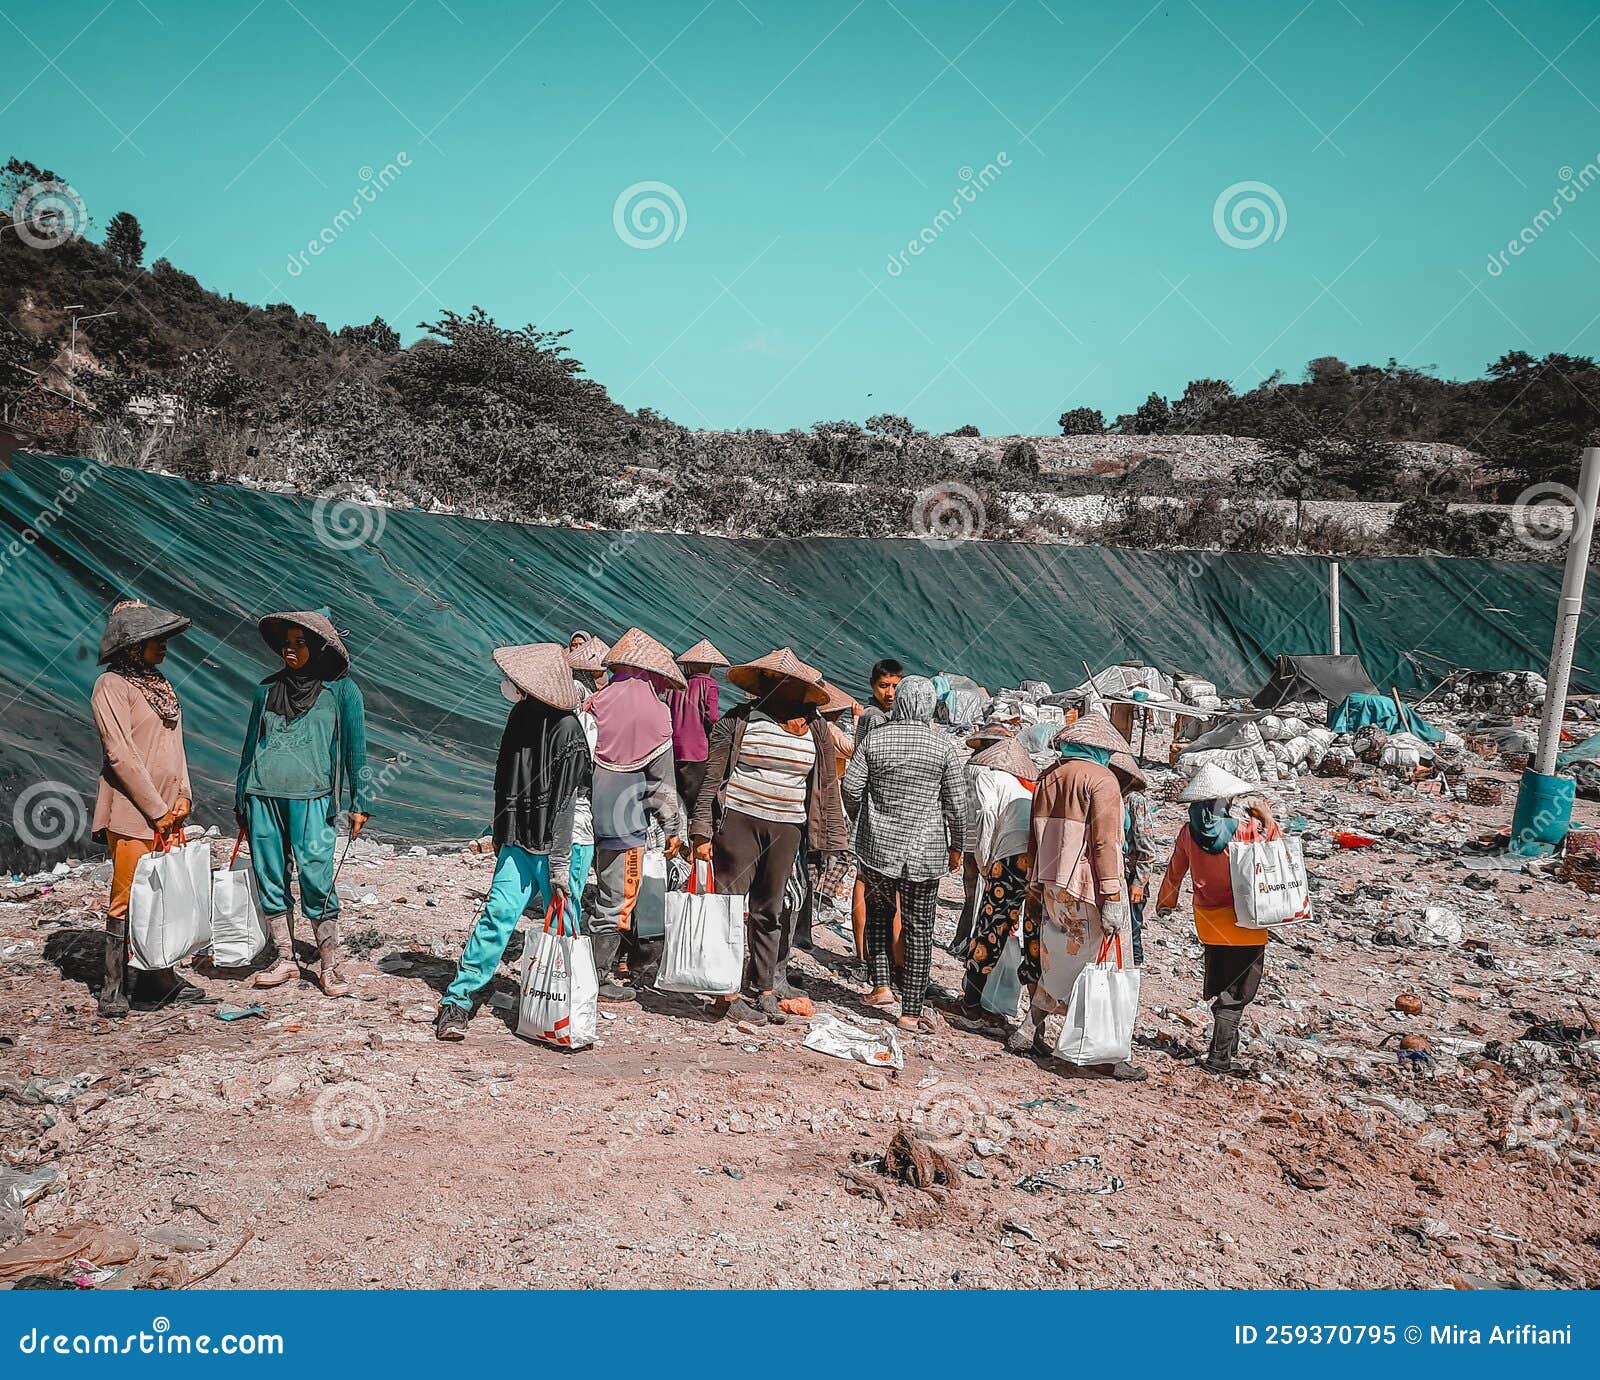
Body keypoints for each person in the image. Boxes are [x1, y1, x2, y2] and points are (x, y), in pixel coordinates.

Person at [436, 644, 593, 1041]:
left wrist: (559, 865)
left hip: (561, 846)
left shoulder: (570, 732)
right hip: (519, 842)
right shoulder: (520, 716)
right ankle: (458, 999)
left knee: (562, 927)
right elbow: (505, 782)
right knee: (496, 915)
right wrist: (498, 833)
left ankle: (564, 1006)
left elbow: (566, 805)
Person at [691, 648, 849, 1026]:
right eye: (772, 683)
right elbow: (711, 778)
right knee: (729, 907)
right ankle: (724, 992)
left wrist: (831, 841)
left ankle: (763, 988)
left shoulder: (816, 729)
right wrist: (700, 830)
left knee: (770, 909)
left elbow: (827, 786)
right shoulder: (737, 721)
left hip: (788, 828)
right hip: (740, 822)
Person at [235, 608, 370, 998]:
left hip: (313, 799)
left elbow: (355, 753)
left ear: (317, 647)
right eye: (286, 644)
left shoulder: (342, 691)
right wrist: (240, 799)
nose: (289, 651)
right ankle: (284, 959)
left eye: (299, 643)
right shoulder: (266, 689)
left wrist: (359, 802)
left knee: (316, 877)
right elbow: (249, 749)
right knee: (270, 875)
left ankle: (330, 965)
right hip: (262, 796)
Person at [89, 600, 204, 1017]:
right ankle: (114, 987)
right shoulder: (111, 686)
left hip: (169, 811)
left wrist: (185, 795)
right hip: (132, 812)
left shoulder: (159, 684)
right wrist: (158, 809)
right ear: (133, 645)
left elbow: (175, 748)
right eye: (156, 640)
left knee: (163, 893)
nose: (164, 647)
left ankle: (160, 979)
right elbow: (120, 755)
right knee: (127, 897)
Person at [842, 675, 971, 1032]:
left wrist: (864, 819)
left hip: (878, 848)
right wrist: (958, 845)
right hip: (925, 851)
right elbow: (957, 806)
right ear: (929, 706)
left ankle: (881, 986)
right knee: (920, 929)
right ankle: (911, 1011)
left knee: (880, 917)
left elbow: (851, 788)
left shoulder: (875, 739)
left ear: (898, 702)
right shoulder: (943, 746)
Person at [1019, 712, 1143, 1079]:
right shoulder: (1102, 781)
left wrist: (1034, 881)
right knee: (1103, 965)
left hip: (1052, 883)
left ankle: (1029, 1028)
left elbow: (1033, 835)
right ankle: (1102, 1050)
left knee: (1061, 959)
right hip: (1089, 888)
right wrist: (1113, 895)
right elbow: (1105, 844)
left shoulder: (1048, 777)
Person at [1155, 762, 1276, 1076]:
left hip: (1208, 920)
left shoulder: (1187, 832)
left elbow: (1175, 870)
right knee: (1237, 992)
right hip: (1245, 920)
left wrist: (1165, 902)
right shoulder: (1244, 830)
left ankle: (1228, 1043)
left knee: (1223, 980)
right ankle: (1219, 1058)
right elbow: (1275, 854)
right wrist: (1268, 819)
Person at [586, 627, 684, 1000]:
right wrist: (672, 828)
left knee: (591, 891)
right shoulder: (656, 714)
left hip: (583, 819)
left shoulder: (595, 702)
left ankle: (582, 967)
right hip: (624, 823)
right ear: (653, 675)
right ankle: (597, 978)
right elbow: (663, 785)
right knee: (616, 901)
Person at [952, 735, 1037, 1031]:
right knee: (1025, 933)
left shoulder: (989, 777)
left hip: (1010, 856)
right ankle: (1021, 1013)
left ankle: (972, 1003)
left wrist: (983, 858)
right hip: (1033, 856)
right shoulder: (1019, 787)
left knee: (991, 928)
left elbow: (987, 814)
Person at [850, 657, 906, 957]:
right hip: (875, 805)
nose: (890, 692)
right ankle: (863, 951)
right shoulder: (875, 717)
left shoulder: (881, 714)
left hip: (875, 804)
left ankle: (869, 951)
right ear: (873, 686)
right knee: (867, 879)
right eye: (884, 686)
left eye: (895, 686)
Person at [668, 638, 726, 821]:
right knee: (693, 799)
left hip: (674, 746)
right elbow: (713, 717)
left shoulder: (677, 685)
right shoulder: (710, 685)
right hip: (697, 750)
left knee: (674, 795)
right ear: (709, 666)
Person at [1120, 758, 1157, 966]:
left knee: (1132, 928)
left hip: (1132, 874)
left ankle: (1133, 969)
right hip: (1121, 872)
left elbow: (1146, 843)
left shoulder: (1134, 800)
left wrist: (1139, 882)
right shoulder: (1116, 796)